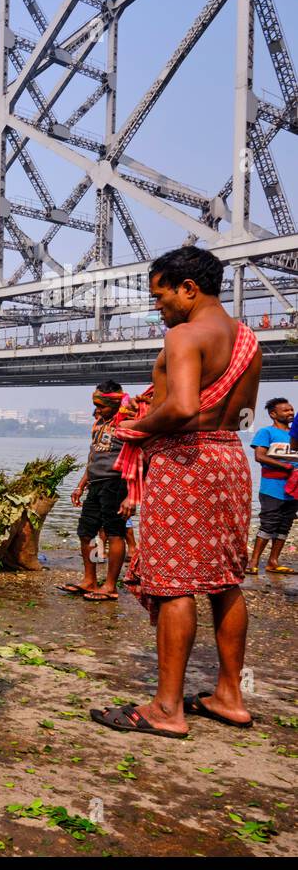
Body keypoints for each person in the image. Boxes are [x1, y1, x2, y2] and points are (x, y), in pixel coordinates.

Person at [91, 246, 261, 737]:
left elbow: (183, 407)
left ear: (189, 288)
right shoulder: (249, 340)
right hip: (228, 457)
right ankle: (229, 695)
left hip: (184, 462)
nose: (157, 306)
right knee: (225, 580)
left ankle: (167, 709)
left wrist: (135, 428)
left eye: (160, 295)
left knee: (174, 583)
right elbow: (239, 415)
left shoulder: (184, 335)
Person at [58, 380, 128, 602]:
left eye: (102, 406)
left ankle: (110, 586)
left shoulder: (128, 423)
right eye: (96, 406)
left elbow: (138, 459)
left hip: (116, 483)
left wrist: (133, 495)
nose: (97, 410)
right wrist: (81, 484)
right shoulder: (98, 423)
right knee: (86, 533)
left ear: (115, 404)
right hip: (96, 483)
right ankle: (90, 580)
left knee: (115, 533)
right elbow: (93, 457)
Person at [247, 397, 296, 574]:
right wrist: (285, 466)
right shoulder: (266, 432)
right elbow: (259, 456)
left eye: (291, 410)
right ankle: (253, 562)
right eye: (286, 410)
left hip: (293, 489)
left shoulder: (295, 435)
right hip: (272, 487)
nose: (290, 413)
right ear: (273, 414)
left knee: (285, 525)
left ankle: (273, 562)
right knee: (269, 523)